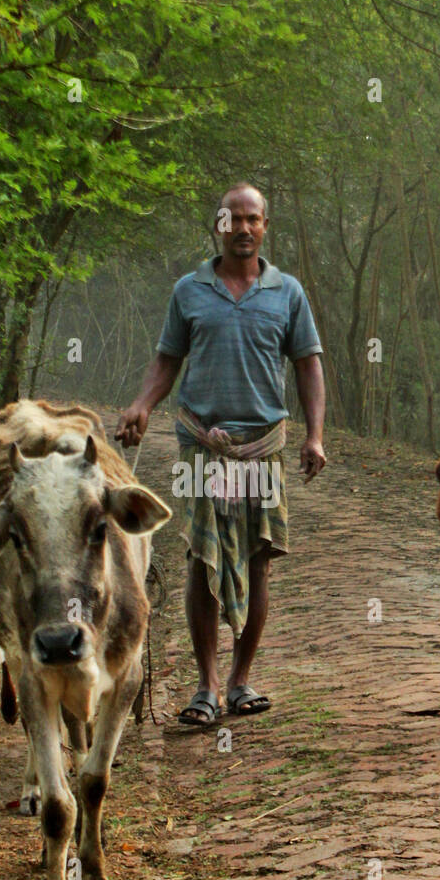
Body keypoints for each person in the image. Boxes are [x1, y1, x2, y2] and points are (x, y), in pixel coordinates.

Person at [115, 183, 326, 725]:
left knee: (258, 560)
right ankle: (206, 686)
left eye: (254, 219)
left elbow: (307, 364)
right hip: (202, 449)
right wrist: (141, 404)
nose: (244, 229)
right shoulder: (189, 291)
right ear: (218, 226)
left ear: (265, 225)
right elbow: (168, 359)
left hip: (263, 451)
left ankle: (240, 680)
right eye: (234, 220)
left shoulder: (287, 292)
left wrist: (315, 435)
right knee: (201, 559)